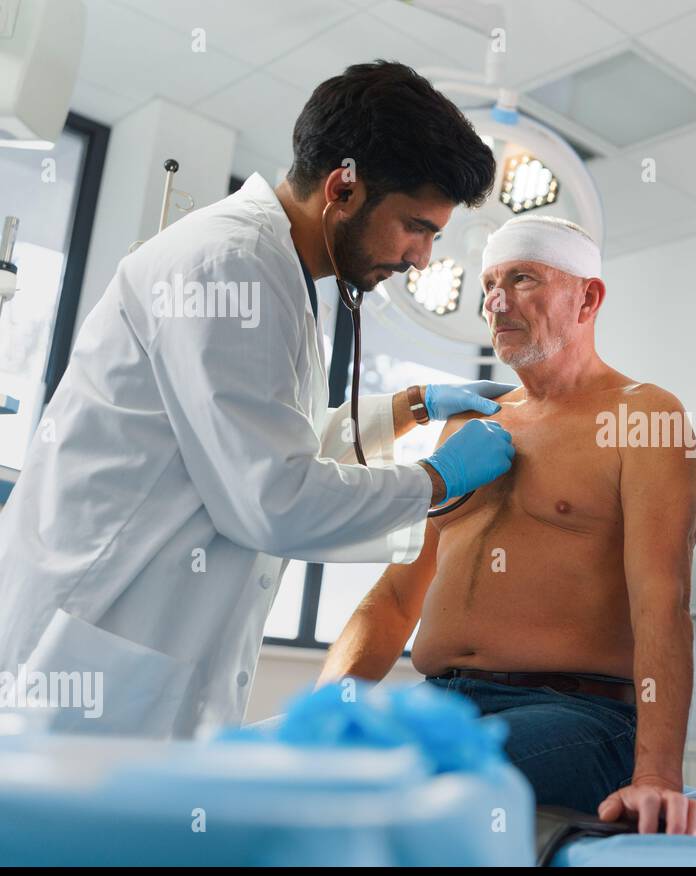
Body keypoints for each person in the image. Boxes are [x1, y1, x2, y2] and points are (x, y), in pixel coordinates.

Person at [0, 61, 515, 739]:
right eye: (416, 227)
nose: (421, 258)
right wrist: (436, 481)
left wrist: (410, 407)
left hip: (131, 656)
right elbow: (272, 497)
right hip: (88, 652)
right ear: (345, 187)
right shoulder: (231, 265)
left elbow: (259, 443)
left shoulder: (275, 273)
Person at [319, 216, 696, 835]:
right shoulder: (466, 425)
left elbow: (663, 604)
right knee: (288, 774)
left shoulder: (645, 414)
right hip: (441, 703)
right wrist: (321, 715)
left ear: (588, 297)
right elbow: (395, 599)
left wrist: (658, 777)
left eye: (522, 279)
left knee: (403, 789)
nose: (497, 302)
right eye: (489, 285)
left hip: (574, 715)